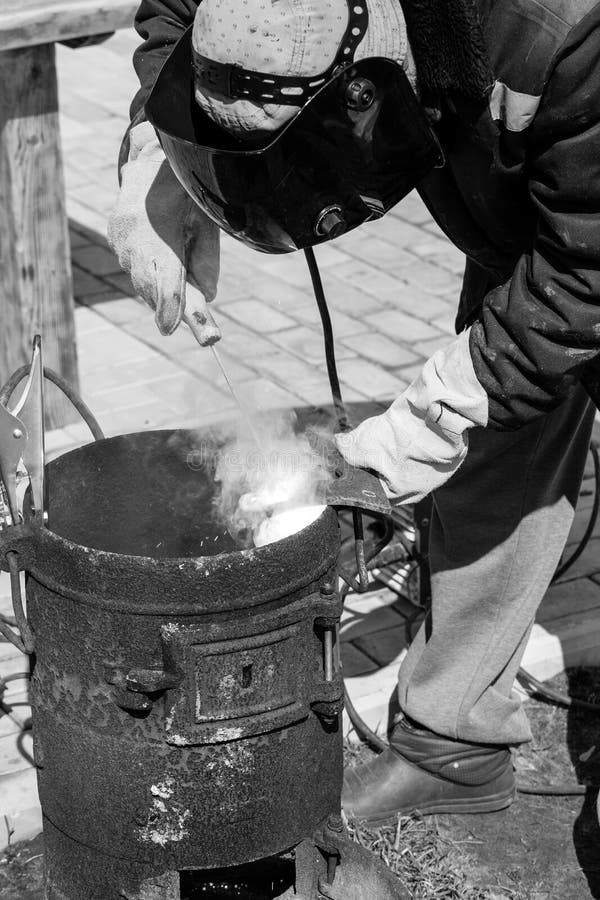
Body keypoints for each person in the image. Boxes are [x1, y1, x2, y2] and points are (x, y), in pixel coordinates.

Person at [109, 0, 600, 824]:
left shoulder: (561, 29)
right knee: (501, 432)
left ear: (365, 89)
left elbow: (585, 271)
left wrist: (419, 428)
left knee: (498, 377)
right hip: (533, 187)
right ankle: (455, 748)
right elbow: (170, 14)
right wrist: (156, 158)